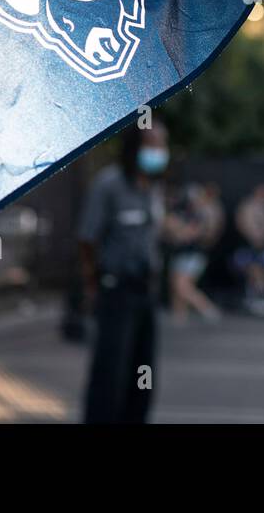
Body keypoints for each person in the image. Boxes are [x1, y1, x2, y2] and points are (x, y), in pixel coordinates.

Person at [77, 118, 170, 423]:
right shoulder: (110, 184)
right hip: (116, 290)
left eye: (162, 144)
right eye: (152, 144)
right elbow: (88, 238)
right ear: (135, 147)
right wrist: (93, 285)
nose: (159, 151)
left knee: (143, 373)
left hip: (146, 291)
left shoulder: (153, 189)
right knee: (110, 373)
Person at [163, 184, 222, 325]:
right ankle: (179, 316)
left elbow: (187, 235)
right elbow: (170, 232)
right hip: (179, 253)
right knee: (176, 286)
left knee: (182, 285)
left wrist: (180, 232)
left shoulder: (199, 215)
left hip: (193, 255)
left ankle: (207, 309)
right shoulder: (179, 213)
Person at [233, 183, 264, 315]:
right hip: (248, 247)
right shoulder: (248, 207)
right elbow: (243, 224)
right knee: (254, 269)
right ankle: (257, 294)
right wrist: (255, 238)